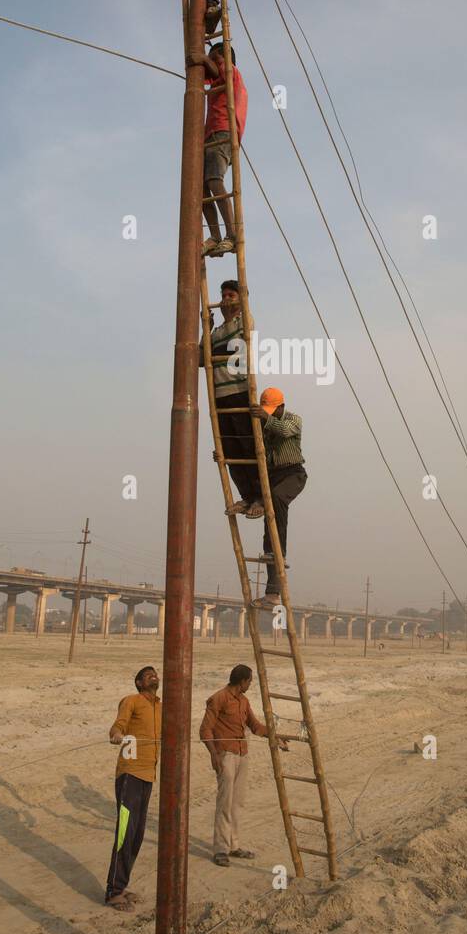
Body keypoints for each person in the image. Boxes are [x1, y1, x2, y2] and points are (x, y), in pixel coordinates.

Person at [200, 664, 287, 867]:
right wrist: (213, 754)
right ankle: (220, 849)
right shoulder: (219, 698)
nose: (250, 684)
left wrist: (275, 736)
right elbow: (205, 730)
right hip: (225, 754)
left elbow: (255, 726)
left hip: (242, 753)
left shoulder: (244, 701)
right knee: (224, 802)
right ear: (243, 681)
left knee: (237, 802)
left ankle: (234, 845)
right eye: (249, 681)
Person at [199, 279, 263, 519]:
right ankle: (246, 497)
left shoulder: (243, 321)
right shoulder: (215, 333)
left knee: (248, 447)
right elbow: (200, 358)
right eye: (223, 295)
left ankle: (259, 496)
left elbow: (237, 345)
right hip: (220, 397)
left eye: (230, 295)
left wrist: (241, 297)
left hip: (239, 391)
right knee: (229, 450)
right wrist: (206, 328)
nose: (226, 299)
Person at [104, 666, 161, 911]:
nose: (154, 675)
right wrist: (117, 734)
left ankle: (122, 884)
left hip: (148, 775)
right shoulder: (132, 701)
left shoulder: (160, 706)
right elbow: (118, 725)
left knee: (137, 834)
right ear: (138, 682)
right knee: (125, 832)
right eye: (148, 674)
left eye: (155, 673)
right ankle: (113, 892)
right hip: (130, 774)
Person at [187, 43, 247, 258]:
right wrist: (200, 61)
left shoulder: (230, 71)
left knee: (214, 181)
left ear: (222, 57)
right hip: (211, 135)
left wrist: (203, 58)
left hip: (222, 131)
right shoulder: (218, 79)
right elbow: (202, 75)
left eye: (214, 59)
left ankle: (231, 234)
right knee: (201, 188)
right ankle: (215, 236)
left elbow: (212, 67)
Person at [250, 387, 307, 608]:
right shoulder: (262, 426)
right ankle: (272, 592)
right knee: (269, 527)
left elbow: (284, 430)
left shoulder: (293, 419)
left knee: (276, 499)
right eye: (267, 411)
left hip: (293, 474)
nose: (269, 414)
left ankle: (278, 551)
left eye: (272, 411)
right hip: (273, 476)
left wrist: (266, 418)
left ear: (281, 406)